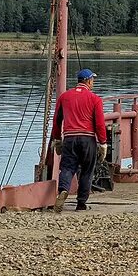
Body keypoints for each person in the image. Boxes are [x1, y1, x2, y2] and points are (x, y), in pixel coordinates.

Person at [49, 67, 107, 213]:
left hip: (69, 138)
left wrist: (57, 139)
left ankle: (63, 190)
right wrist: (103, 143)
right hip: (88, 139)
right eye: (92, 80)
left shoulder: (64, 97)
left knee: (67, 168)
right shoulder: (95, 99)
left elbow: (57, 119)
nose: (93, 82)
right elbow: (99, 124)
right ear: (87, 81)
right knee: (87, 171)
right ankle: (81, 203)